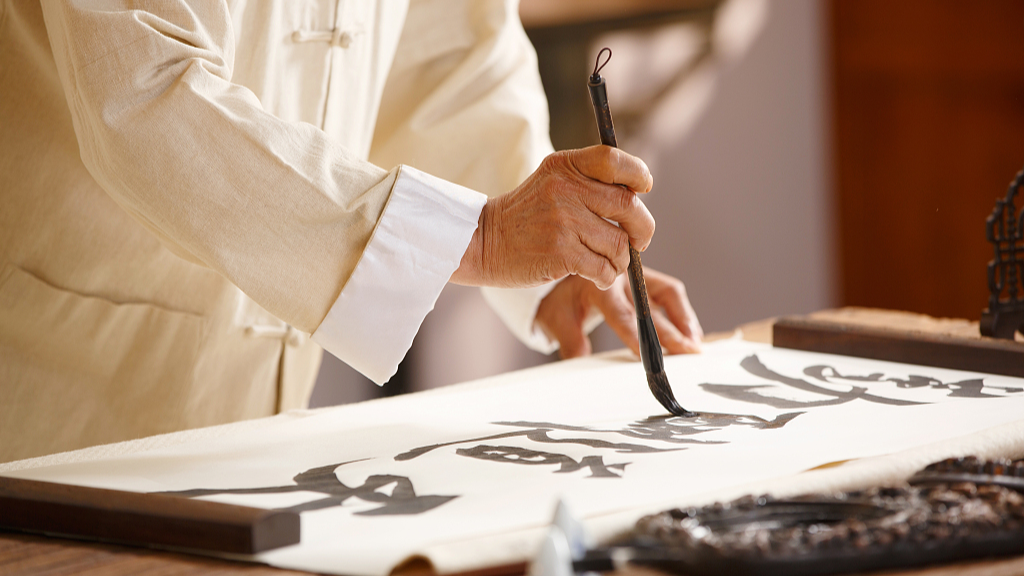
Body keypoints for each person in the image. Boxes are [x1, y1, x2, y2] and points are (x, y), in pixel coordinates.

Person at [0, 0, 702, 463]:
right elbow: (142, 86)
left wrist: (548, 256)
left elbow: (446, 57)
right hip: (56, 407)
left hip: (249, 441)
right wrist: (482, 236)